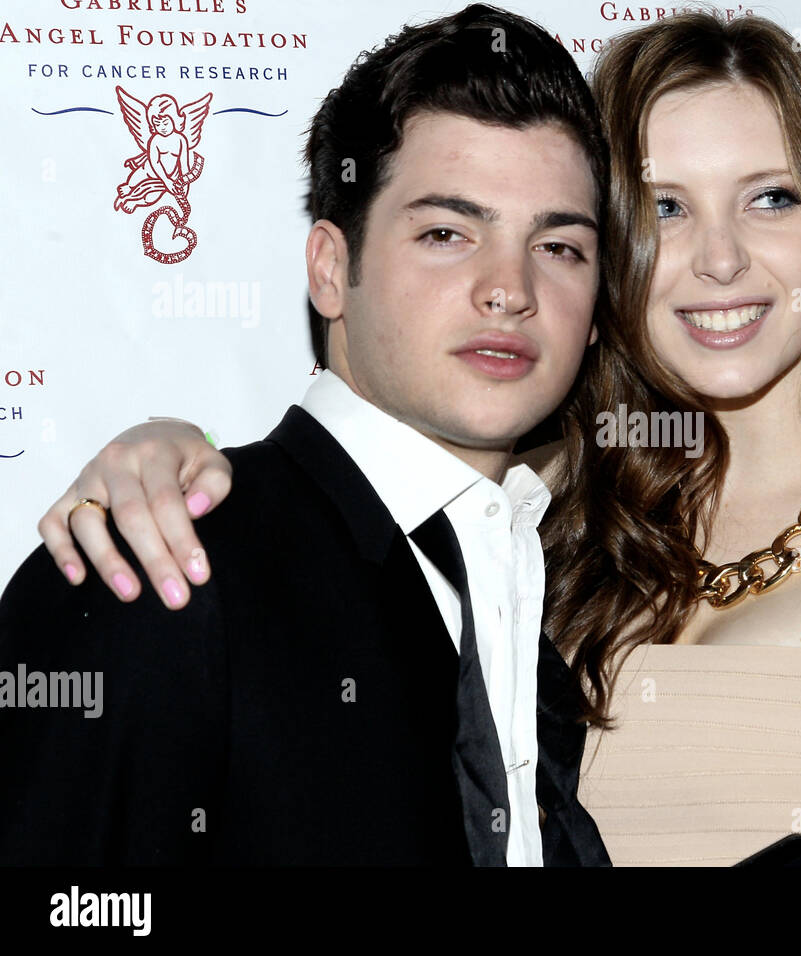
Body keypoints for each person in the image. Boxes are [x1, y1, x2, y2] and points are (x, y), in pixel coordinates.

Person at [32, 12, 801, 866]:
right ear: (614, 255)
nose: (718, 259)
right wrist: (165, 447)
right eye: (664, 207)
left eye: (770, 198)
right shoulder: (531, 525)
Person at [0, 5, 610, 867]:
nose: (508, 287)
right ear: (331, 267)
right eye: (446, 232)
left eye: (559, 247)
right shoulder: (162, 560)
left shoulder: (533, 628)